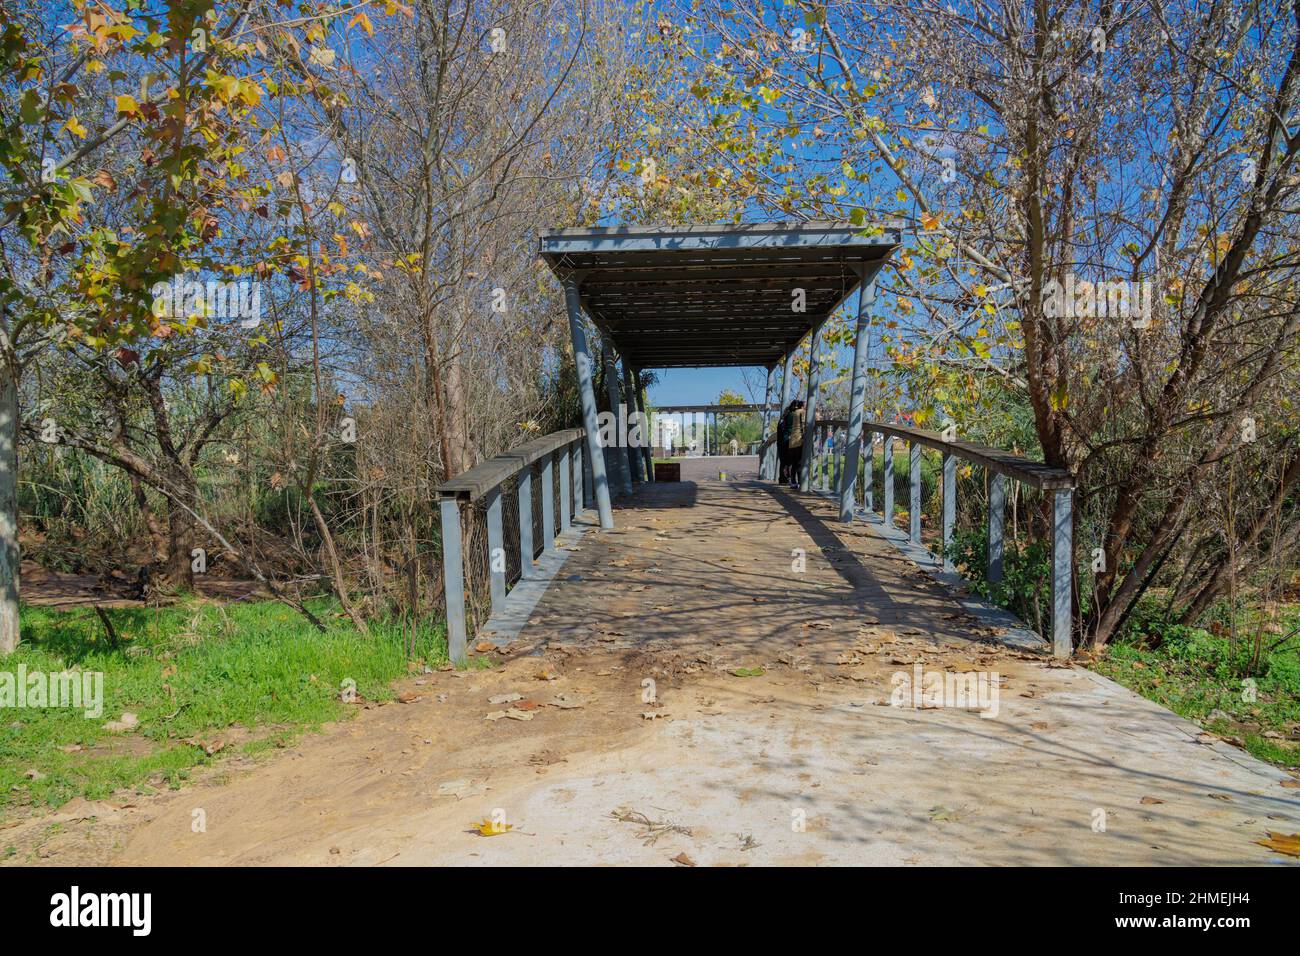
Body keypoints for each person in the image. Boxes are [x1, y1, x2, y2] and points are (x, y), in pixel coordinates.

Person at [776, 399, 807, 487]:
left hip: (783, 440)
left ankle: (784, 480)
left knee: (785, 461)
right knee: (796, 462)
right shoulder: (795, 414)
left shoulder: (785, 414)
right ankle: (799, 482)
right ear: (798, 406)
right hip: (791, 440)